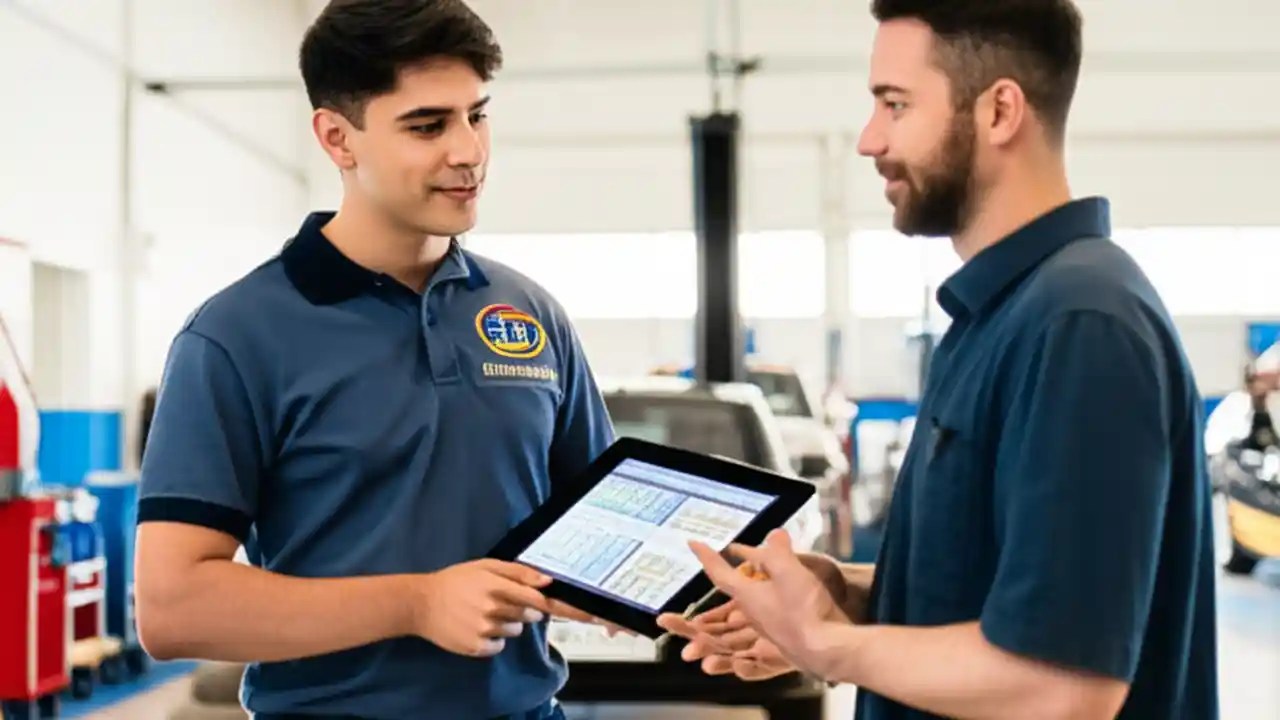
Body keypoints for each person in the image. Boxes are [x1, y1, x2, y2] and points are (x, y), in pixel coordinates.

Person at [658, 1, 1220, 718]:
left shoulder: (1082, 324)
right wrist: (852, 595)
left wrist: (825, 646)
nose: (869, 140)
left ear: (999, 112)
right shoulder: (998, 316)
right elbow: (1001, 595)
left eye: (895, 105)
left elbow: (1063, 689)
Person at [133, 1, 614, 718]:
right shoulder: (235, 337)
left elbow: (597, 527)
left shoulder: (529, 314)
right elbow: (174, 610)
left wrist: (702, 586)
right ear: (337, 138)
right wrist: (416, 603)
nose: (469, 151)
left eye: (477, 115)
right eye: (427, 125)